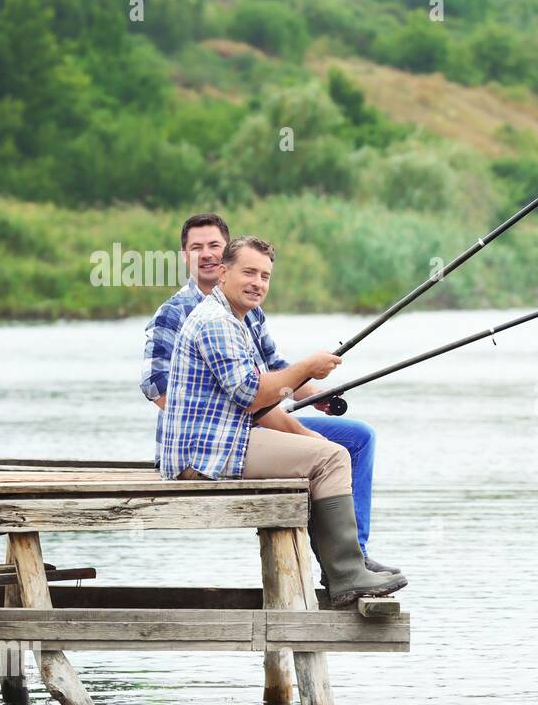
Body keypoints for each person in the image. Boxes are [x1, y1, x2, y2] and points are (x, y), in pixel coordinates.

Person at [140, 212, 401, 581]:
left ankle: (351, 559)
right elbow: (250, 395)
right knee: (329, 456)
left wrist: (315, 389)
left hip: (239, 426)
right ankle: (346, 573)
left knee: (354, 440)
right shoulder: (206, 319)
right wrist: (304, 387)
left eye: (264, 276)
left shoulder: (242, 313)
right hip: (209, 444)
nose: (258, 282)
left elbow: (272, 375)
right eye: (249, 273)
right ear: (223, 271)